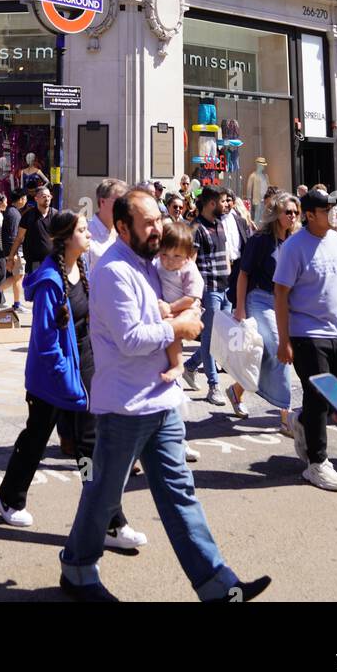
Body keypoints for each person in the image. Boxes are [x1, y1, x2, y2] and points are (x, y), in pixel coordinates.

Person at [59, 187, 271, 603]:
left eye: (159, 219)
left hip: (162, 398)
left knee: (179, 492)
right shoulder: (113, 271)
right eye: (148, 222)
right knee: (103, 493)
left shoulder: (153, 264)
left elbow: (183, 295)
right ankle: (78, 569)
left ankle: (218, 585)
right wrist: (181, 328)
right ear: (123, 227)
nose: (158, 228)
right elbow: (130, 339)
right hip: (126, 405)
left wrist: (187, 312)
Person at [0, 211, 145, 551]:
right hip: (55, 377)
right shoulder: (50, 281)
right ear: (65, 238)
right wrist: (68, 382)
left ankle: (110, 520)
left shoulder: (83, 270)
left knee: (90, 449)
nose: (88, 233)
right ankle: (10, 498)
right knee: (35, 440)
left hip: (85, 368)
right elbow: (46, 344)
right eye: (81, 229)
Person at [274, 187, 337, 492]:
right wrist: (284, 340)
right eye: (326, 210)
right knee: (319, 392)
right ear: (309, 215)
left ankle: (303, 421)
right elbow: (281, 293)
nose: (332, 214)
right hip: (306, 333)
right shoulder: (294, 247)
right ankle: (317, 463)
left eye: (333, 209)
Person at [234, 193, 297, 437]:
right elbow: (243, 274)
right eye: (287, 211)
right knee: (280, 348)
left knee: (264, 353)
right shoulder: (260, 240)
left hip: (283, 302)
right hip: (259, 299)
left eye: (295, 212)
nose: (292, 216)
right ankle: (285, 415)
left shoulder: (294, 241)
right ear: (276, 214)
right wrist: (240, 308)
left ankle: (237, 390)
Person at [183, 186, 245, 414]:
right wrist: (194, 296)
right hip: (208, 290)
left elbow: (225, 254)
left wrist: (229, 274)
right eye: (222, 201)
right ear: (211, 203)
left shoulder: (219, 223)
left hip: (224, 286)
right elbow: (190, 263)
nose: (226, 204)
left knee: (222, 338)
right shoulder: (196, 229)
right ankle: (213, 386)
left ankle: (190, 366)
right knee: (209, 339)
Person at [156, 220, 204, 383]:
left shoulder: (189, 269)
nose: (169, 260)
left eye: (176, 256)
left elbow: (192, 298)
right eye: (164, 254)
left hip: (184, 308)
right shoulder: (158, 264)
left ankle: (178, 364)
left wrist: (169, 308)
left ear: (188, 256)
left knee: (172, 332)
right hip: (168, 307)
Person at [85, 177, 126, 275]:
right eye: (118, 201)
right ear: (102, 201)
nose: (123, 206)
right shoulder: (86, 232)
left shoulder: (124, 232)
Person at [10, 183, 53, 274]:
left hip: (52, 262)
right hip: (34, 262)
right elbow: (19, 238)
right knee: (34, 286)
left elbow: (62, 237)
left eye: (49, 196)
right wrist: (11, 257)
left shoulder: (56, 215)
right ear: (36, 198)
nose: (47, 198)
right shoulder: (29, 216)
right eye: (44, 196)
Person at [1, 187, 28, 315]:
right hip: (16, 251)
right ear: (21, 199)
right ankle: (17, 304)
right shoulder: (14, 213)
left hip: (14, 251)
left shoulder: (11, 211)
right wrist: (14, 254)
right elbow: (13, 236)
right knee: (18, 278)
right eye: (25, 197)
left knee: (17, 277)